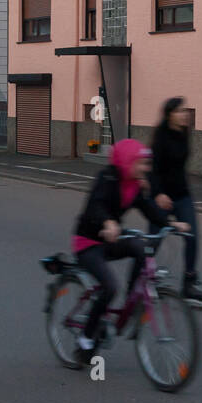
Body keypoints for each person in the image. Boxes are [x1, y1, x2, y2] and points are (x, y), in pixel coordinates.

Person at [72, 138, 186, 362]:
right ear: (127, 161)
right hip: (88, 243)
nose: (145, 168)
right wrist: (107, 222)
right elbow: (96, 205)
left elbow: (150, 211)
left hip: (110, 240)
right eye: (141, 163)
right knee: (108, 287)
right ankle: (85, 340)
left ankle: (131, 300)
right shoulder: (107, 178)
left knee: (140, 246)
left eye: (146, 163)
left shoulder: (133, 185)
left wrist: (172, 224)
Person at [149, 97, 202, 307]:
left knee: (192, 236)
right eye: (180, 111)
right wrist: (158, 194)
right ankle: (143, 278)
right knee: (154, 238)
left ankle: (189, 283)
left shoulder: (184, 134)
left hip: (182, 194)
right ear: (170, 114)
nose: (185, 114)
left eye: (186, 111)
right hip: (161, 196)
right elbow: (152, 169)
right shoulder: (160, 138)